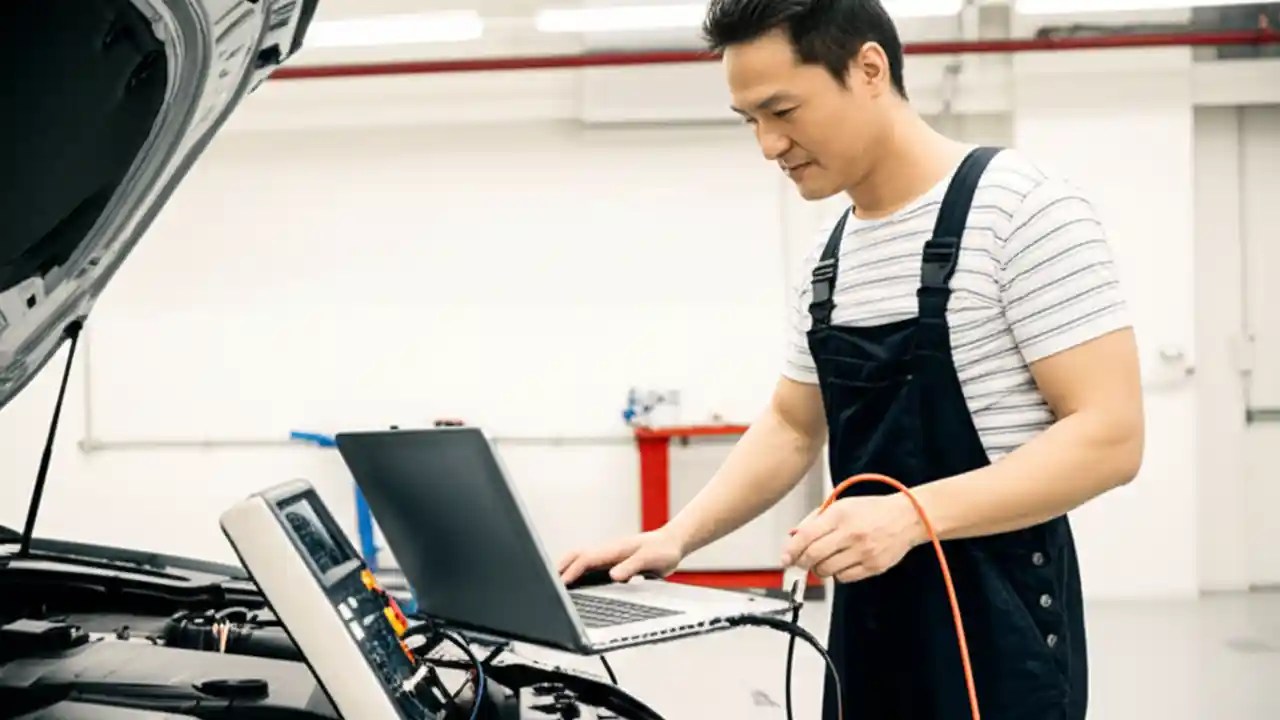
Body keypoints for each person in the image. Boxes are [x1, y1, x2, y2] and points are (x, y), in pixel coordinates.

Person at [557, 1, 1144, 718]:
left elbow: (1110, 436)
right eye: (751, 121)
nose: (769, 145)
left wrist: (908, 517)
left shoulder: (1024, 210)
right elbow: (793, 425)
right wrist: (673, 537)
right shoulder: (829, 257)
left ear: (869, 69)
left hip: (996, 627)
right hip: (867, 625)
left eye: (783, 110)